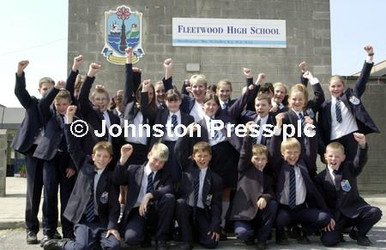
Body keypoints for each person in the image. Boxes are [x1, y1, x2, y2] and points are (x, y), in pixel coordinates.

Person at [43, 105, 120, 250]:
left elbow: (114, 206)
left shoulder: (110, 177)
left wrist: (113, 226)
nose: (101, 159)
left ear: (110, 159)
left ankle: (96, 240)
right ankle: (63, 244)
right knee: (82, 247)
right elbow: (72, 146)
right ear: (93, 156)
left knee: (114, 246)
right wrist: (69, 120)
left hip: (102, 222)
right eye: (99, 156)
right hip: (83, 219)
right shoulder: (84, 165)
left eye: (105, 157)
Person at [269, 113, 332, 245]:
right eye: (289, 153)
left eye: (295, 152)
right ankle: (281, 234)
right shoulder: (279, 166)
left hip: (300, 209)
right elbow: (273, 150)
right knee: (281, 219)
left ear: (300, 153)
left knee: (324, 218)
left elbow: (312, 149)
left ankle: (304, 231)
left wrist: (310, 129)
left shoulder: (304, 165)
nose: (292, 156)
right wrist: (278, 127)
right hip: (284, 209)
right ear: (282, 154)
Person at [11, 60, 54, 244]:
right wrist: (20, 73)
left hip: (50, 154)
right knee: (33, 193)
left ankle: (49, 230)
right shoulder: (31, 103)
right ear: (39, 90)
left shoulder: (56, 109)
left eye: (51, 89)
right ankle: (31, 229)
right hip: (33, 153)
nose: (47, 91)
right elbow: (20, 92)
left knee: (50, 193)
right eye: (45, 89)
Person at [316, 133, 382, 247]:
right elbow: (320, 201)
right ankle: (339, 231)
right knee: (328, 241)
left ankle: (358, 233)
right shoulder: (320, 178)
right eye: (331, 156)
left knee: (374, 212)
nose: (333, 159)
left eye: (337, 156)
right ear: (325, 156)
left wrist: (362, 145)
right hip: (335, 216)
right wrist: (327, 218)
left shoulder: (349, 168)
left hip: (353, 210)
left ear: (343, 157)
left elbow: (360, 161)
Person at [318, 45, 380, 162]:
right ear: (329, 88)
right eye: (333, 86)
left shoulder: (351, 97)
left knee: (352, 169)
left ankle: (349, 182)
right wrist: (323, 150)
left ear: (343, 86)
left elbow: (362, 79)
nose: (336, 89)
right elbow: (321, 128)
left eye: (339, 86)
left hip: (351, 138)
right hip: (334, 141)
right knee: (335, 171)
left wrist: (369, 57)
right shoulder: (325, 106)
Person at [33, 82, 77, 245]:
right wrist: (56, 89)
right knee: (50, 195)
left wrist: (73, 164)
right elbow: (44, 103)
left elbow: (77, 143)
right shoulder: (48, 114)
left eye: (64, 104)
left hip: (67, 162)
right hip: (50, 160)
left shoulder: (76, 118)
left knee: (66, 197)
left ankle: (68, 231)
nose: (61, 107)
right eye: (58, 104)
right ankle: (49, 231)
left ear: (70, 104)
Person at [114, 143, 175, 250]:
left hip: (156, 211)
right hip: (137, 211)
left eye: (161, 162)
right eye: (155, 159)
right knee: (131, 238)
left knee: (169, 198)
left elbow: (169, 188)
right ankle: (145, 234)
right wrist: (123, 159)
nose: (157, 164)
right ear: (149, 155)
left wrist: (150, 195)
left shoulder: (165, 173)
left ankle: (161, 239)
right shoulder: (133, 169)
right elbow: (117, 180)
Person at [229, 123, 278, 250]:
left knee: (273, 204)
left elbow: (271, 192)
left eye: (263, 159)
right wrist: (247, 135)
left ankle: (262, 239)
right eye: (256, 158)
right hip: (244, 215)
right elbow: (244, 154)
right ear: (251, 159)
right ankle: (251, 236)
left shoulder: (268, 177)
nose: (260, 162)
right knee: (243, 234)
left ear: (267, 161)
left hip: (259, 215)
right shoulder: (244, 169)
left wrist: (265, 197)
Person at [141, 81, 194, 183]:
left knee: (177, 176)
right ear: (165, 102)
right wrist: (144, 91)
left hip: (180, 148)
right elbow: (144, 109)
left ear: (180, 101)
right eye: (170, 101)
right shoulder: (160, 114)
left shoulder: (188, 118)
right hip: (163, 146)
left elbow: (191, 139)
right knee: (162, 175)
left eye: (175, 101)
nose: (173, 104)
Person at [175, 139, 223, 249]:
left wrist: (215, 225)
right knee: (180, 203)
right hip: (186, 209)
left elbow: (216, 205)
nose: (202, 159)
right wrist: (185, 135)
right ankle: (187, 240)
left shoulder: (216, 179)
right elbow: (178, 150)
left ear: (210, 157)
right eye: (199, 155)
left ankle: (194, 234)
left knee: (211, 243)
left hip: (202, 211)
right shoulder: (187, 168)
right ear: (193, 156)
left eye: (205, 156)